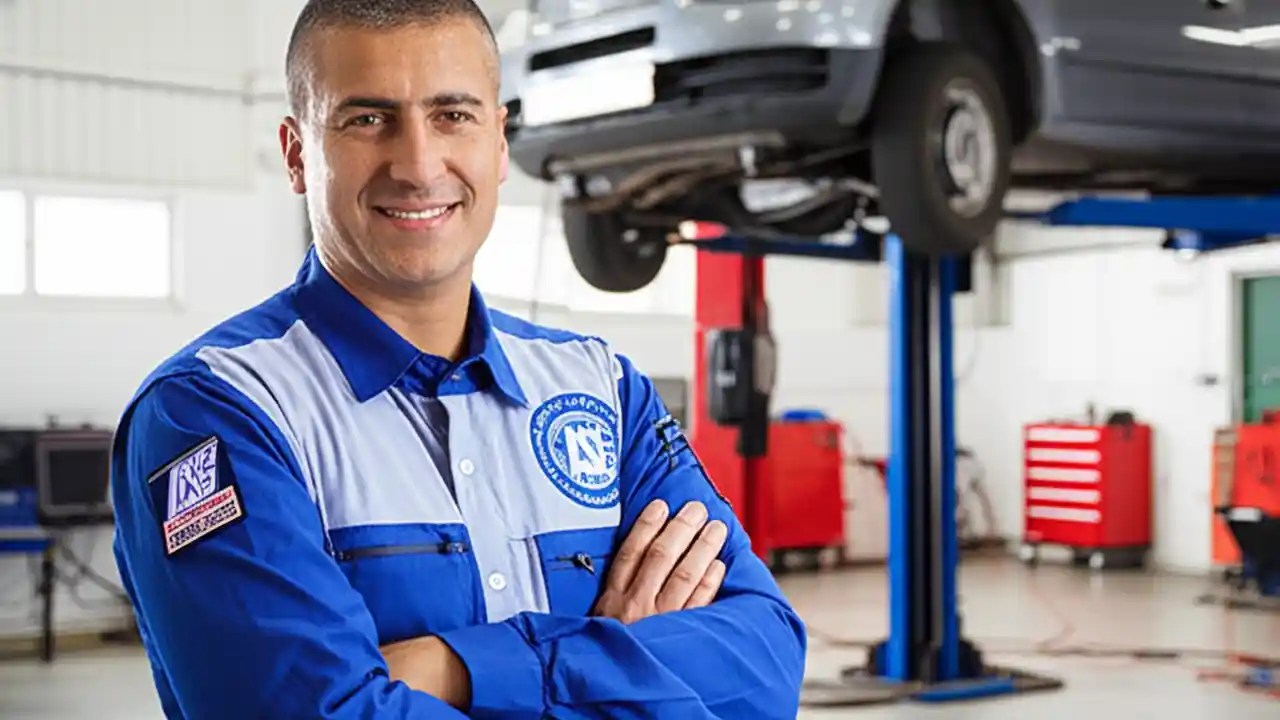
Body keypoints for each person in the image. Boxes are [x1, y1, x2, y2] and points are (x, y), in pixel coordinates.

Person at [110, 0, 807, 717]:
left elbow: (766, 666)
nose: (416, 166)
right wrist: (614, 662)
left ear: (498, 142)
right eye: (367, 118)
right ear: (296, 154)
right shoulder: (218, 413)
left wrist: (456, 669)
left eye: (452, 115)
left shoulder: (600, 388)